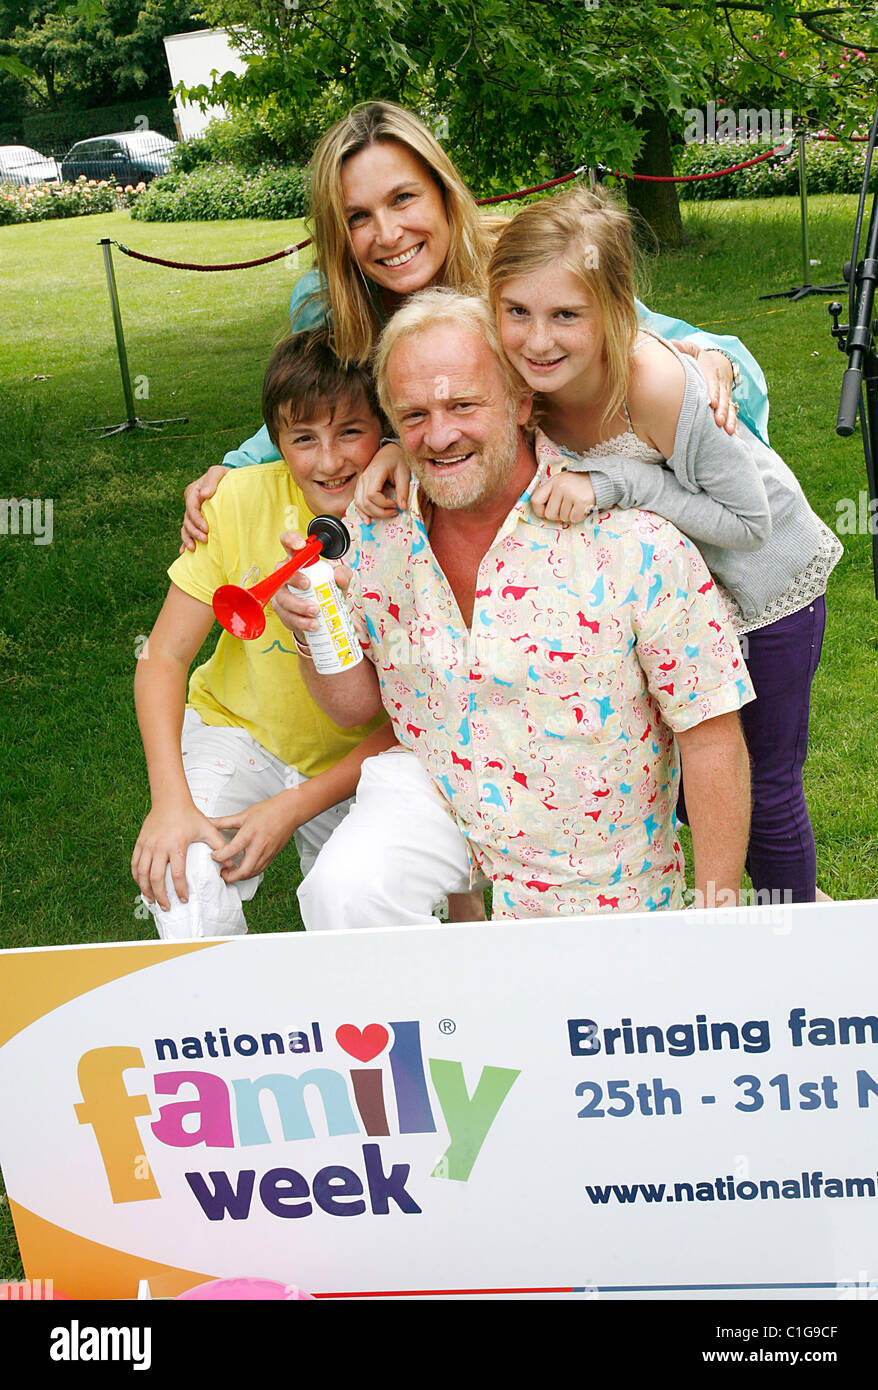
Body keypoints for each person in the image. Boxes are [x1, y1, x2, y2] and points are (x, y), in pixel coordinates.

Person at [272, 289, 755, 927]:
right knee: (345, 890)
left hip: (595, 879)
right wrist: (314, 627)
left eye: (463, 405)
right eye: (413, 414)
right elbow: (355, 706)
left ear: (522, 402)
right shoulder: (374, 535)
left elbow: (711, 734)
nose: (438, 435)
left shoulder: (634, 544)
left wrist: (716, 916)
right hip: (436, 792)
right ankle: (423, 1020)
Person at [178, 100, 768, 552]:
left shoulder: (510, 268)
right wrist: (234, 469)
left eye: (403, 198)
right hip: (434, 531)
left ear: (443, 192)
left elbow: (630, 334)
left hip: (566, 513)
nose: (387, 234)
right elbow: (317, 407)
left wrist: (715, 359)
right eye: (359, 216)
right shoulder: (327, 302)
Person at [479, 187, 842, 904]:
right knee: (682, 792)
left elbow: (748, 524)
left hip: (765, 593)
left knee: (762, 791)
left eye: (565, 316)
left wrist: (614, 481)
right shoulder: (524, 380)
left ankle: (793, 941)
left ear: (615, 312)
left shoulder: (654, 383)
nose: (537, 339)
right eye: (516, 312)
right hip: (671, 607)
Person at [132, 329, 395, 938]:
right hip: (240, 731)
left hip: (366, 757)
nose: (328, 462)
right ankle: (228, 1031)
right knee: (183, 881)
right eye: (303, 439)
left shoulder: (416, 513)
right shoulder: (236, 501)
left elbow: (421, 718)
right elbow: (164, 656)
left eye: (350, 432)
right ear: (275, 444)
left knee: (367, 915)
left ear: (385, 432)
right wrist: (171, 802)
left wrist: (293, 808)